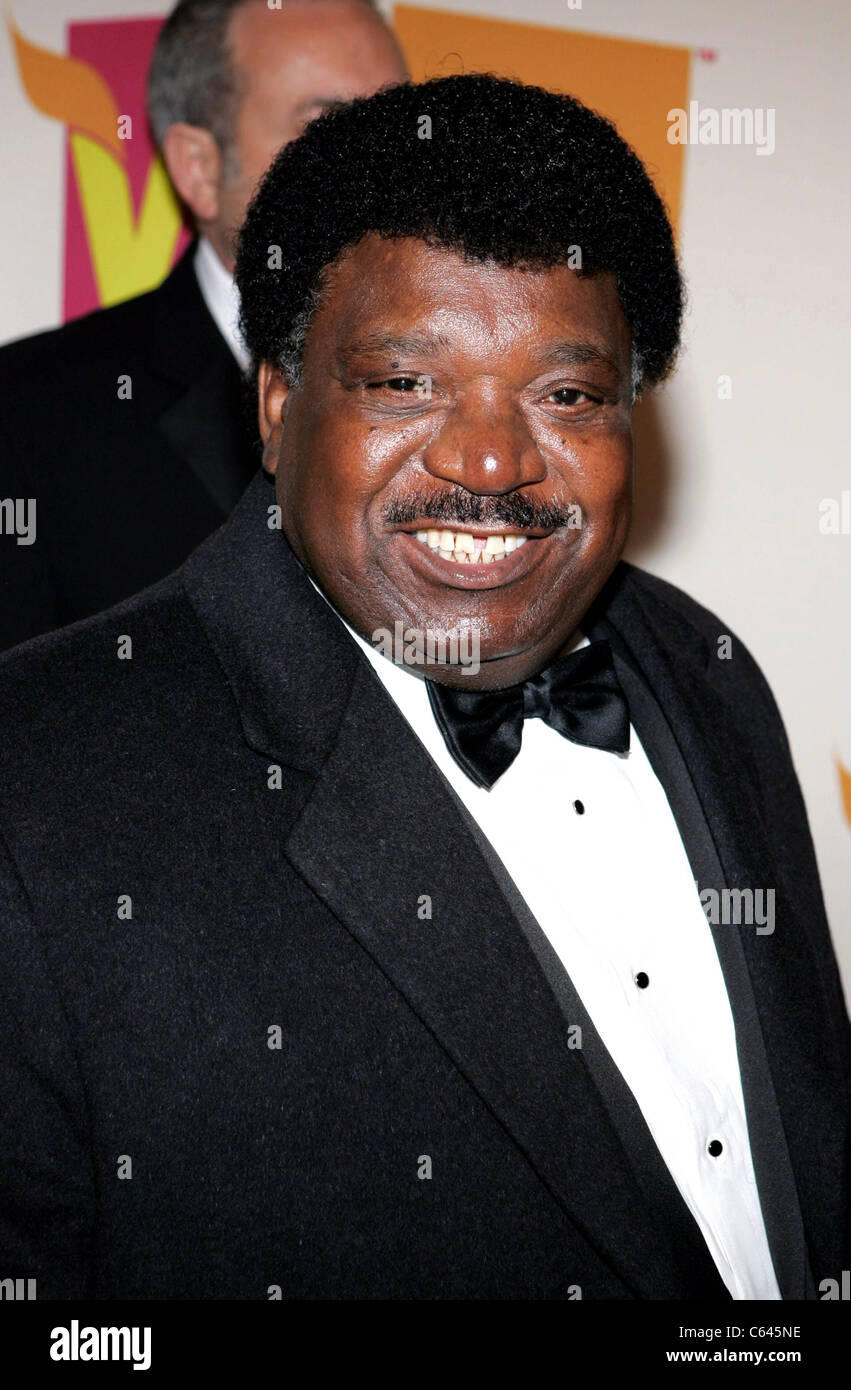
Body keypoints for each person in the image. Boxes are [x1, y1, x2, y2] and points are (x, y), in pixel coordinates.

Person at [0, 74, 847, 1301]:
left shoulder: (706, 674)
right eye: (405, 383)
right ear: (280, 404)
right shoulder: (41, 785)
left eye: (565, 395)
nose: (491, 460)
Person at [0, 0, 406, 651]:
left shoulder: (487, 401)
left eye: (397, 126)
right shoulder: (27, 418)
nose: (384, 171)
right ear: (199, 167)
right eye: (326, 127)